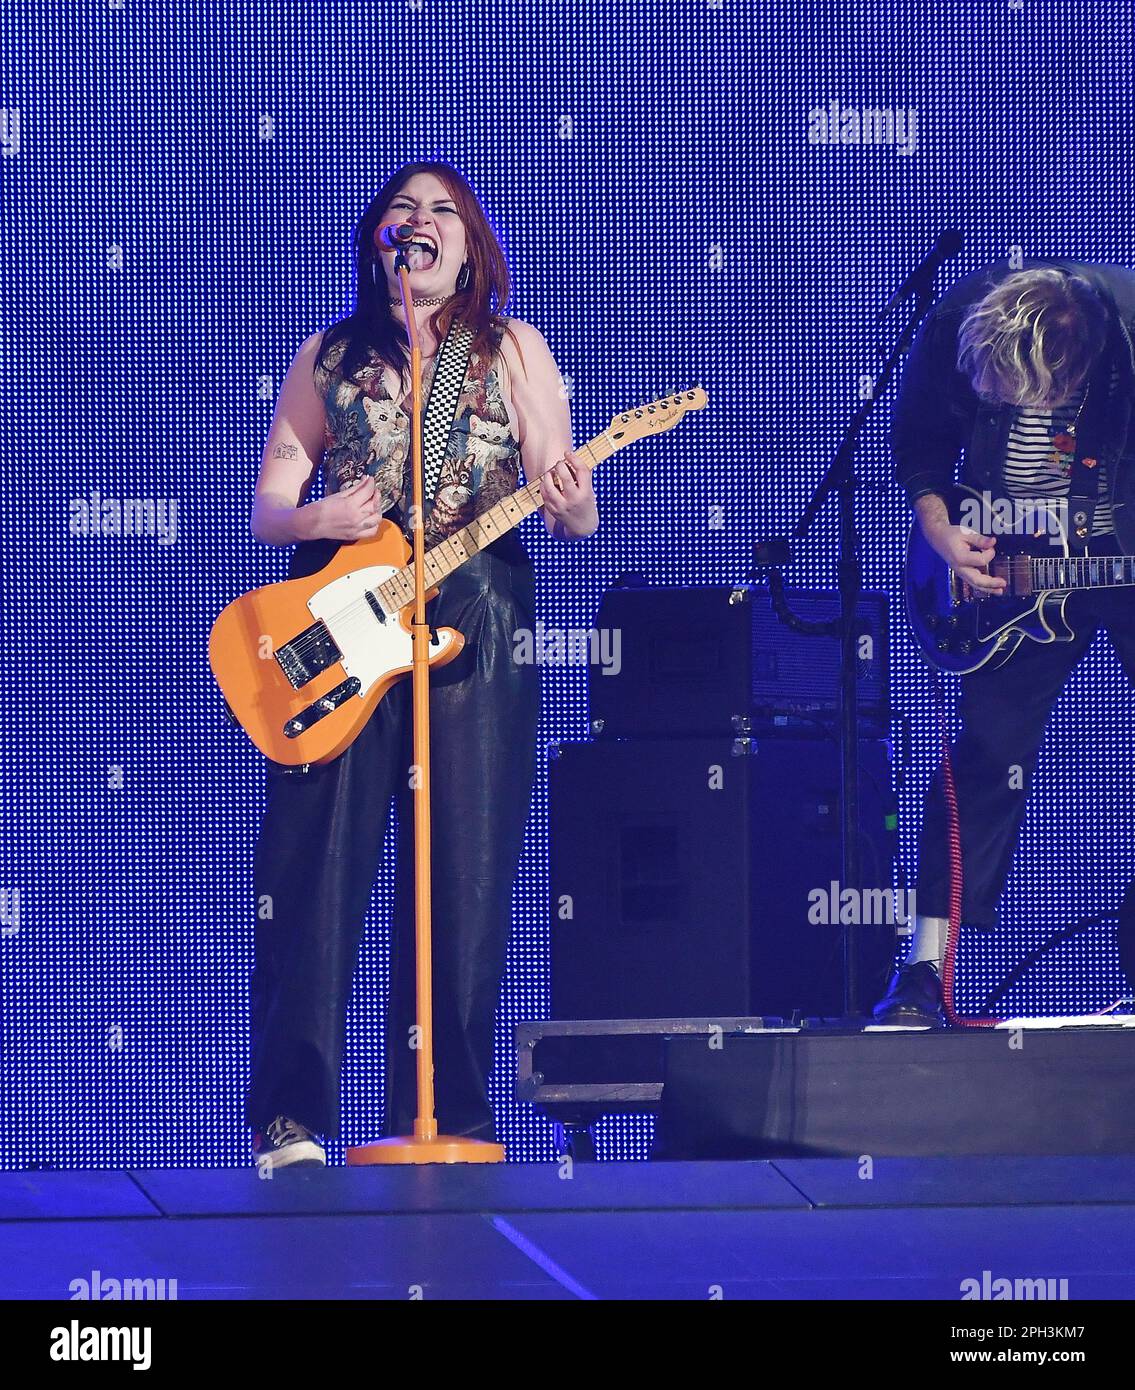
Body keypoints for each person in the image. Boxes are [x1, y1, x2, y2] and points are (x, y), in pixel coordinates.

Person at [244, 161, 599, 1166]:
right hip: (343, 621)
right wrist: (321, 514)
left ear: (471, 242)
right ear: (377, 242)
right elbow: (270, 505)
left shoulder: (511, 351)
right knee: (313, 868)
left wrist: (572, 500)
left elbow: (565, 503)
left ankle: (443, 1114)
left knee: (464, 871)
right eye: (404, 209)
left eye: (443, 209)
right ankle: (293, 1118)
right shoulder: (329, 355)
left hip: (472, 615)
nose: (422, 221)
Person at [875, 260, 1135, 1026]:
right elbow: (918, 438)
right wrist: (937, 528)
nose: (1018, 412)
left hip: (1118, 547)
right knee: (986, 755)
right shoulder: (960, 314)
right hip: (1004, 575)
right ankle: (923, 970)